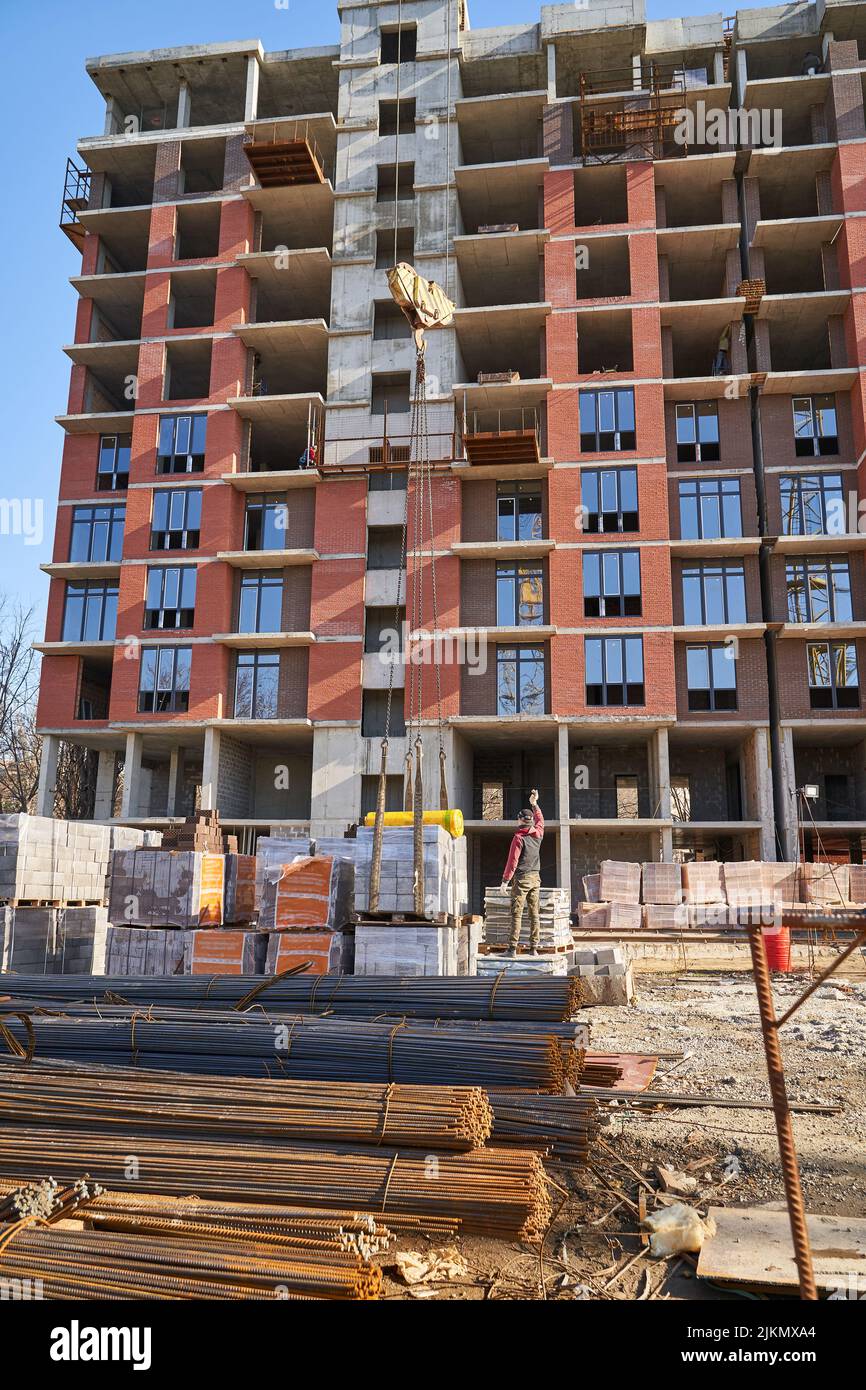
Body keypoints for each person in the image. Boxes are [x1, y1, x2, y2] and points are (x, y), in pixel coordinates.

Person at [500, 789, 544, 953]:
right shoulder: (538, 833)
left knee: (516, 914)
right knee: (534, 914)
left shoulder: (518, 838)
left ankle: (512, 949)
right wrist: (535, 804)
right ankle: (534, 948)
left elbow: (512, 862)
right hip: (536, 878)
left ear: (520, 820)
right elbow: (540, 820)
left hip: (522, 879)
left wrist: (505, 881)